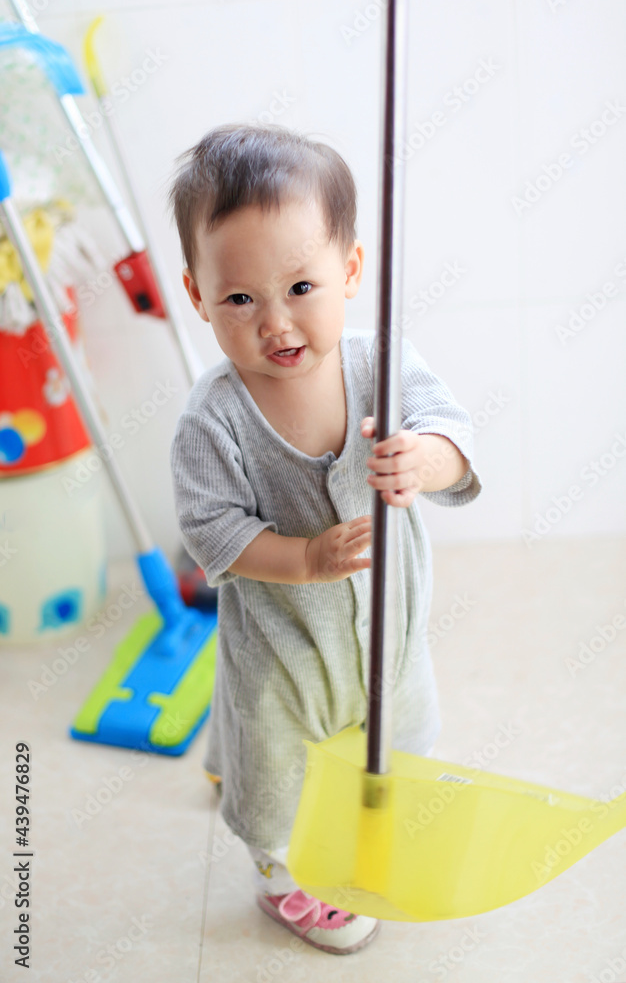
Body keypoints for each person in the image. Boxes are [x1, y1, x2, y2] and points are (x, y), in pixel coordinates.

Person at [168, 122, 482, 955]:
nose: (275, 322)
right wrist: (303, 558)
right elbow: (212, 530)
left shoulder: (382, 364)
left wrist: (427, 460)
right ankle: (281, 873)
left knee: (396, 733)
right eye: (239, 298)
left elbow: (454, 435)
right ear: (198, 297)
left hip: (390, 635)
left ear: (349, 270)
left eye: (301, 285)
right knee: (276, 763)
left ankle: (348, 801)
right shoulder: (214, 417)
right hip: (281, 646)